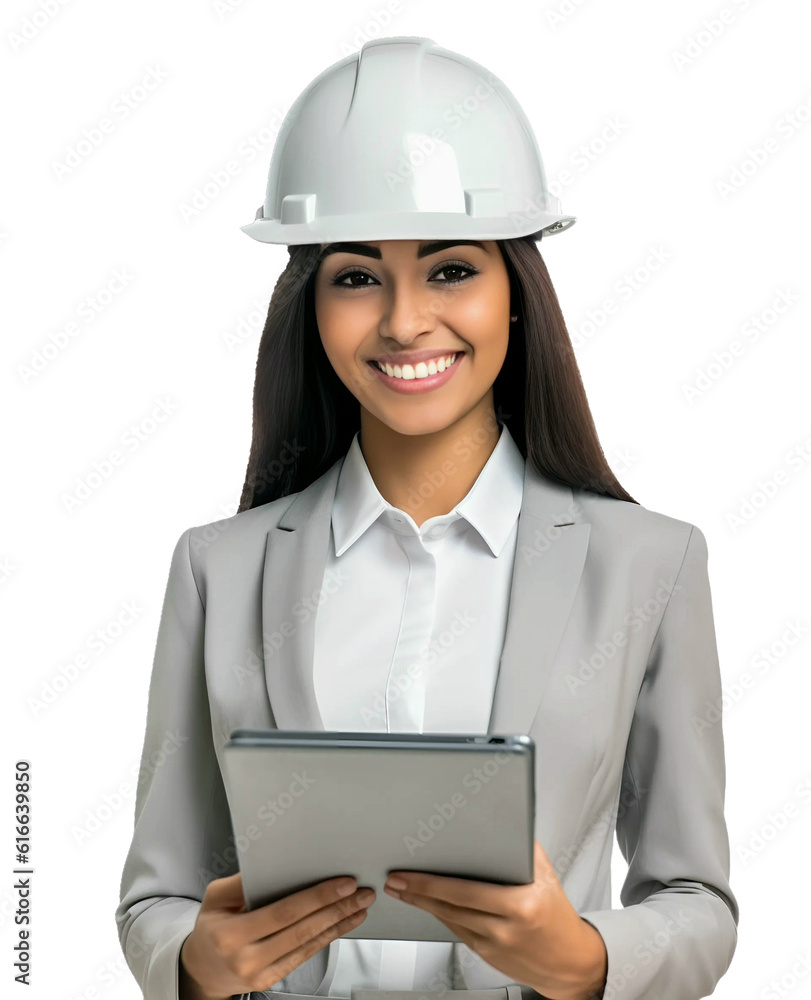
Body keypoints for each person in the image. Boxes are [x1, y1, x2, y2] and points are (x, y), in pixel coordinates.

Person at [115, 36, 738, 1000]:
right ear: (309, 308)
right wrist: (194, 965)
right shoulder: (218, 570)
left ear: (516, 294)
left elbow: (696, 896)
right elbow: (156, 896)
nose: (405, 322)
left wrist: (585, 960)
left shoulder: (646, 565)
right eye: (357, 276)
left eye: (450, 270)